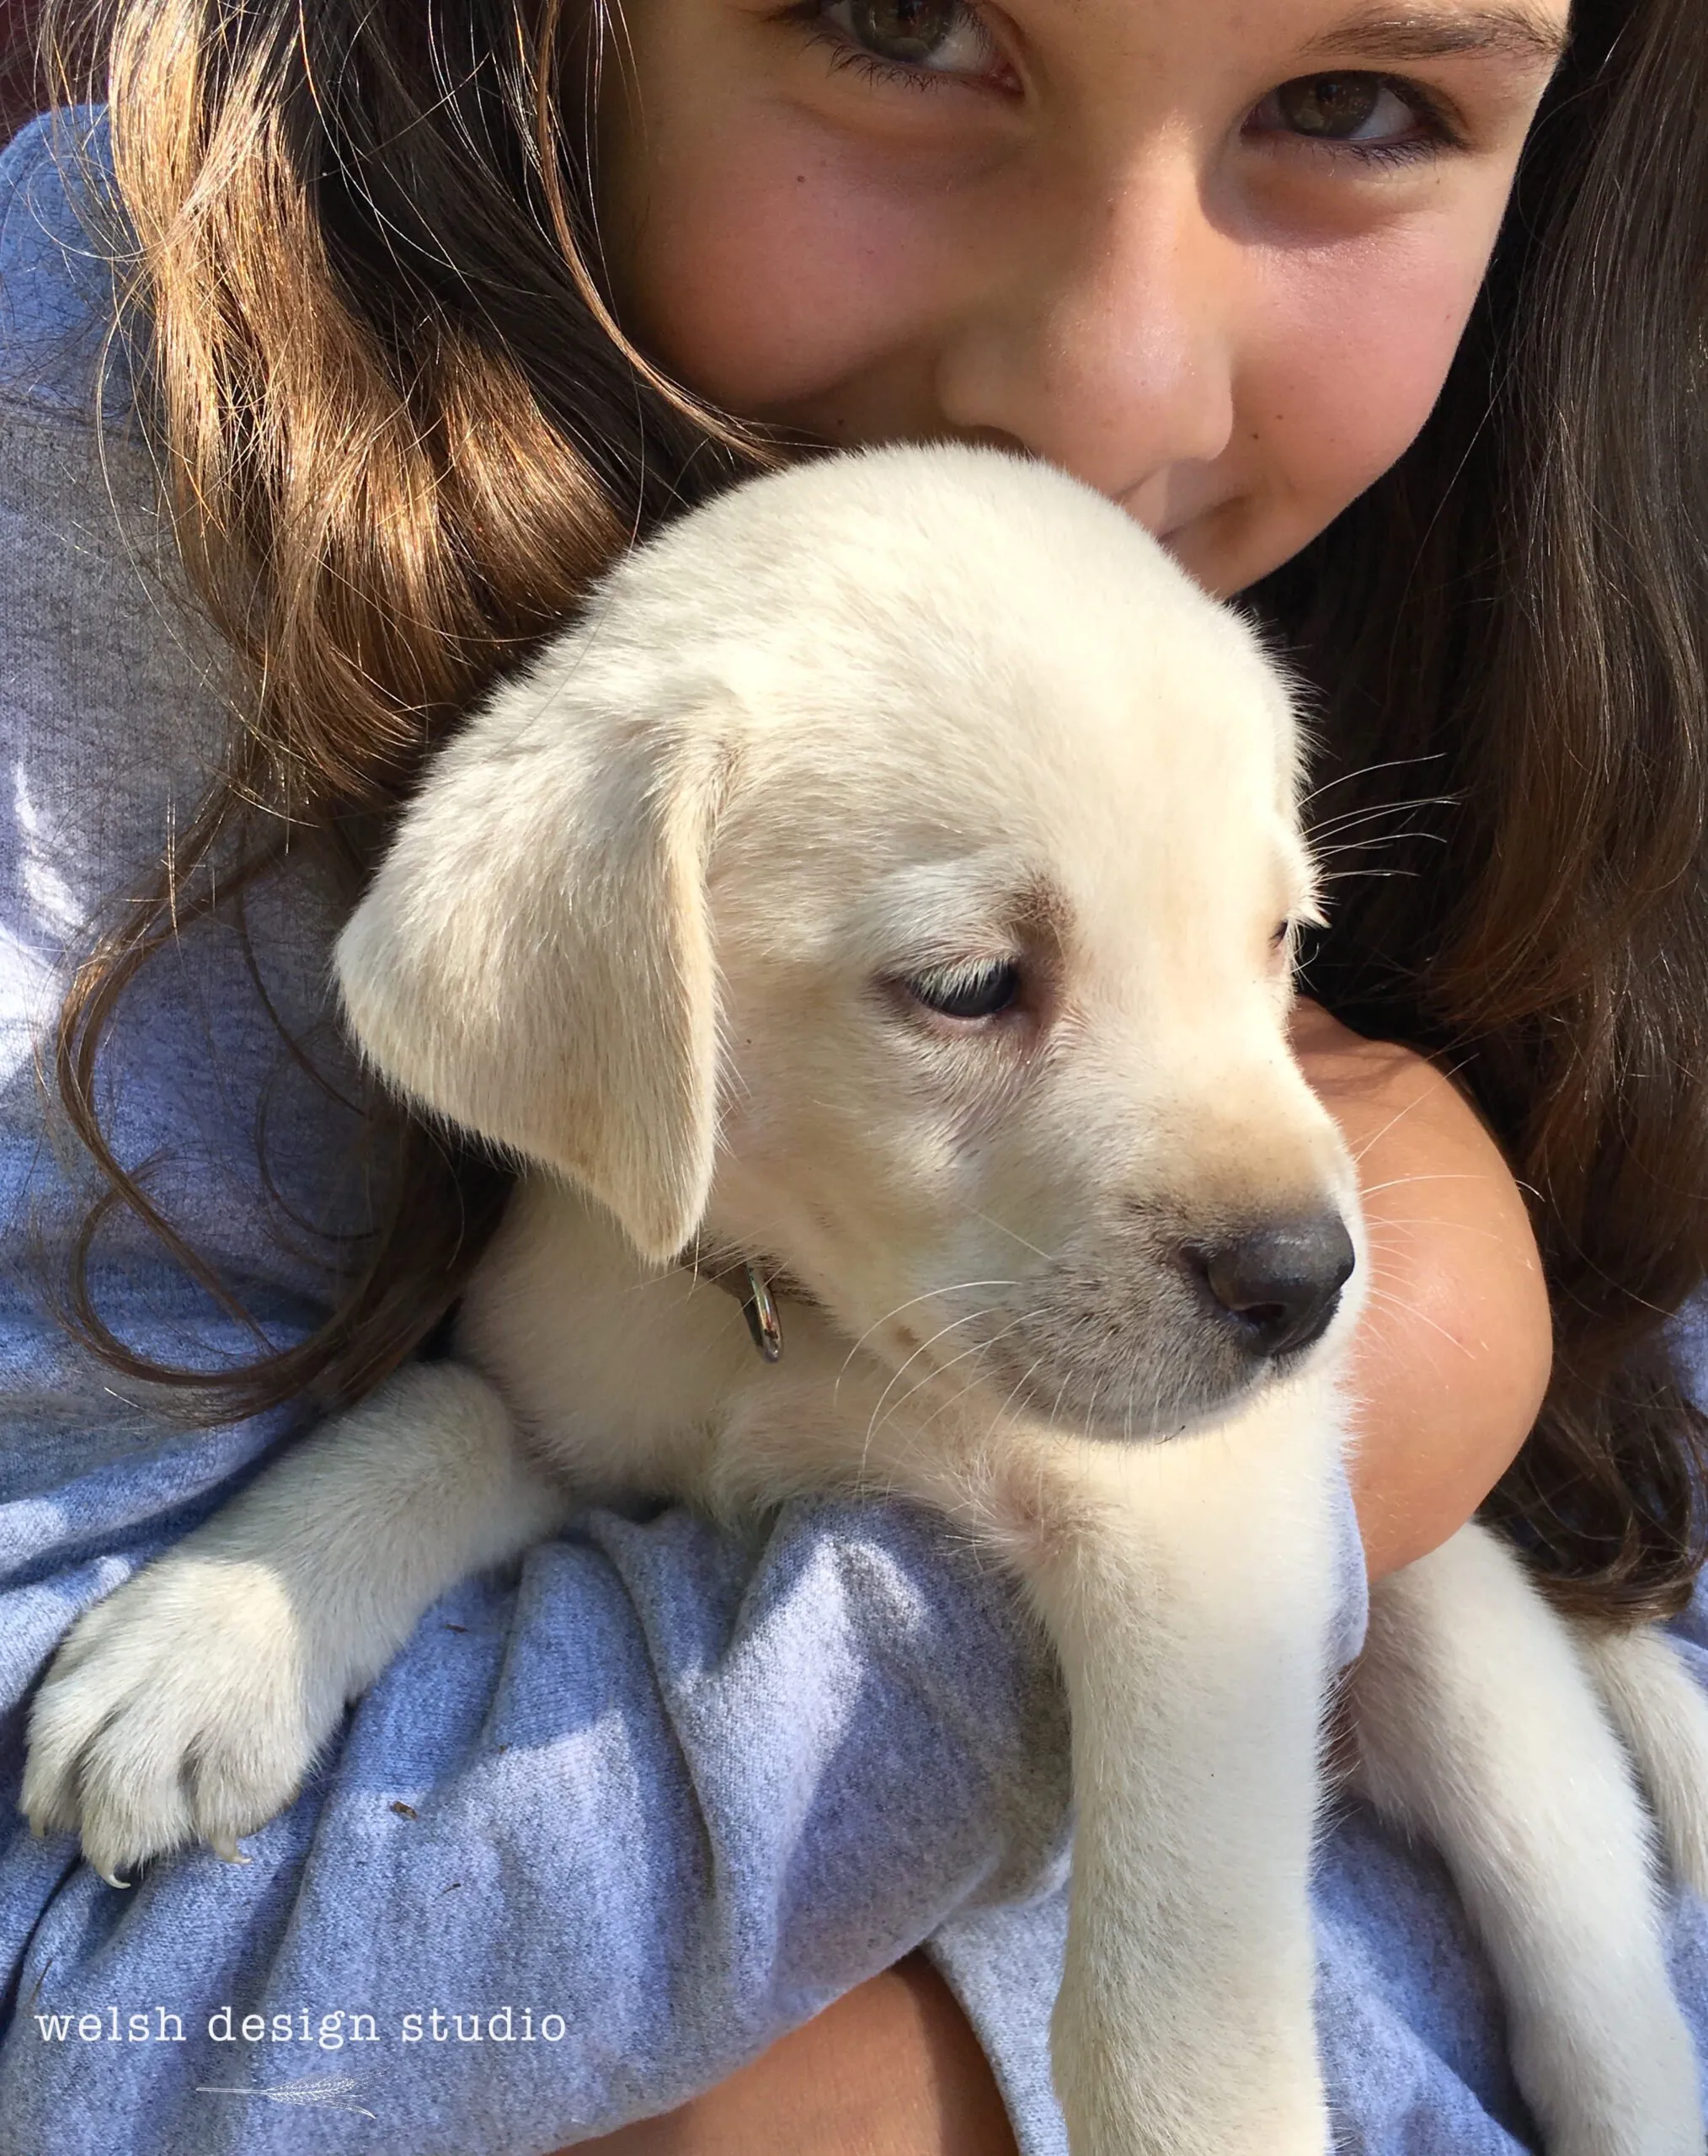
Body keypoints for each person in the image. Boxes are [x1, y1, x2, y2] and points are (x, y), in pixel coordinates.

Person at [0, 0, 1704, 2149]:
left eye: (1356, 104)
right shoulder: (111, 443)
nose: (1103, 397)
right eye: (975, 982)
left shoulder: (1481, 618)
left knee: (1543, 1838)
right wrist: (307, 1568)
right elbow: (525, 1427)